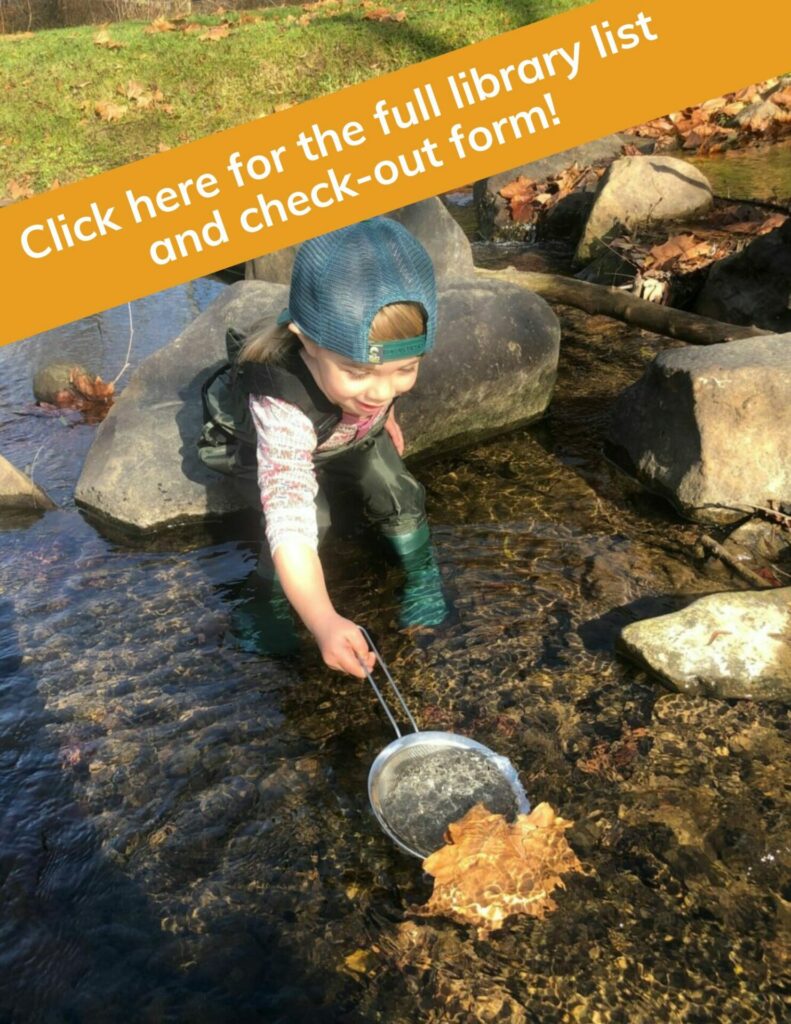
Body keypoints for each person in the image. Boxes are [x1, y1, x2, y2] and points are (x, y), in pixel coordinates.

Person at [220, 217, 448, 678]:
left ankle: (422, 576)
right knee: (311, 519)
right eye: (358, 372)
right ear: (307, 342)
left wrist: (387, 418)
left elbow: (381, 389)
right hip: (287, 449)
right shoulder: (282, 403)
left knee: (399, 490)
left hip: (350, 435)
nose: (381, 391)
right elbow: (289, 514)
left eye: (404, 370)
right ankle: (269, 602)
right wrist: (323, 621)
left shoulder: (371, 385)